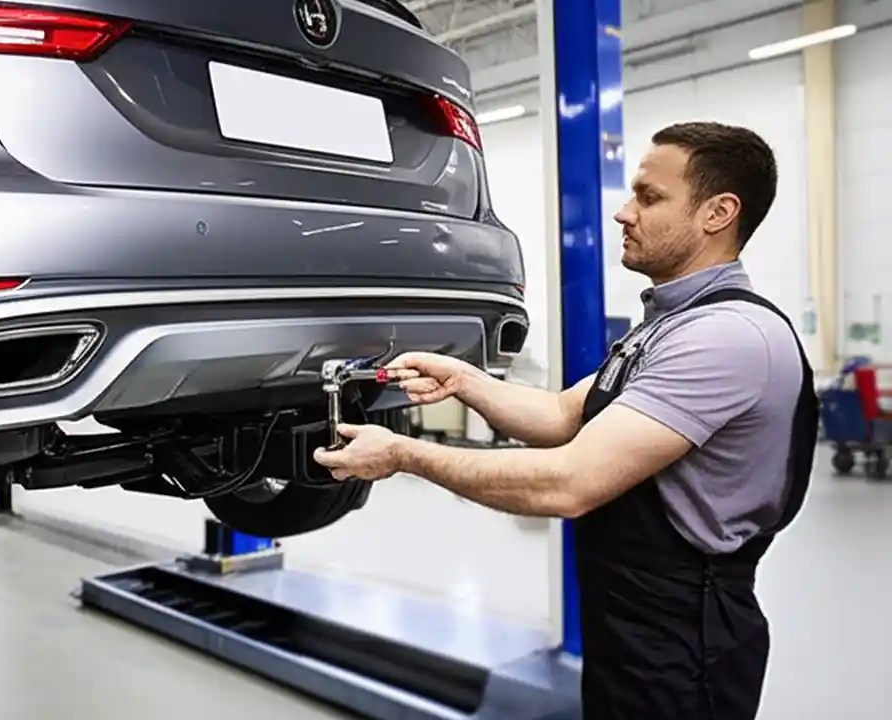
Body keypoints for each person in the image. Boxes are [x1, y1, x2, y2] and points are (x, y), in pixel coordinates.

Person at [312, 121, 819, 720]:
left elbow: (568, 482)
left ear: (718, 213)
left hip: (685, 647)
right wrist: (466, 381)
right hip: (634, 630)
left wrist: (403, 455)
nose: (624, 213)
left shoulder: (728, 337)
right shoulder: (669, 326)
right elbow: (560, 414)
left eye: (649, 198)